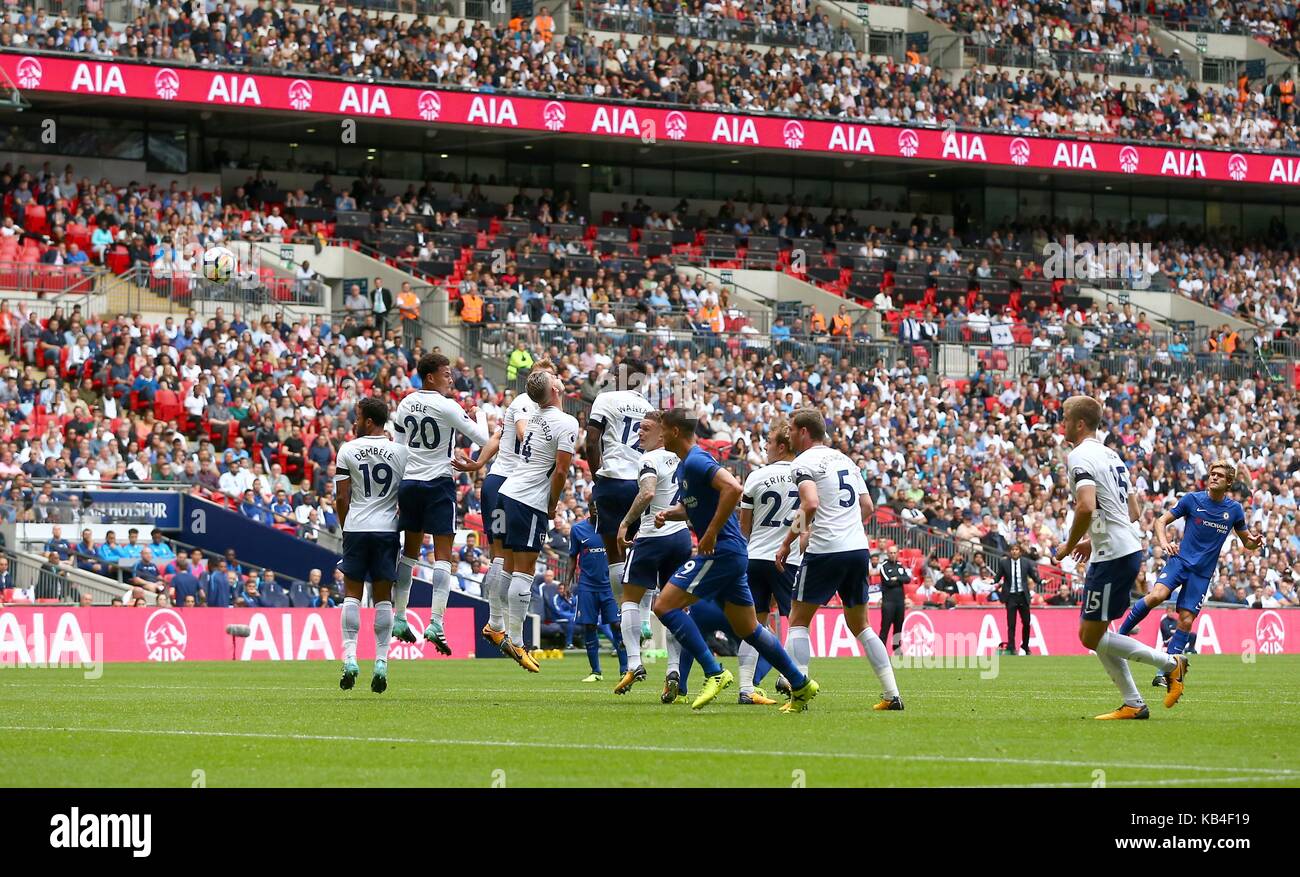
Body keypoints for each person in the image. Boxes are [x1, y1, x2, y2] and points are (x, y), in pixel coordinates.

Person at [652, 407, 818, 712]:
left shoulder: (698, 459)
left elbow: (733, 487)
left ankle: (715, 672)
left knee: (663, 605)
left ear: (675, 431)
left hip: (722, 552)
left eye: (662, 429)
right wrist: (670, 513)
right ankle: (800, 682)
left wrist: (711, 532)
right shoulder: (685, 466)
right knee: (750, 629)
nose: (659, 435)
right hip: (736, 554)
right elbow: (695, 507)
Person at [1053, 396, 1184, 720]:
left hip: (1112, 554)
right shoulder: (1112, 455)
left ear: (1079, 423)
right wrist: (1093, 538)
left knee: (1090, 635)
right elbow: (1133, 511)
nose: (1063, 423)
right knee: (1096, 634)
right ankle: (1134, 703)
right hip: (1115, 549)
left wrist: (1070, 544)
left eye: (1066, 418)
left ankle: (1171, 664)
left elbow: (1085, 506)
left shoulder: (1079, 456)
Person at [776, 407, 902, 711]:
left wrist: (788, 542)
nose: (789, 434)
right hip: (857, 549)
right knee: (861, 625)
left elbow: (810, 504)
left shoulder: (803, 462)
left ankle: (799, 691)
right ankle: (892, 694)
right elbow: (868, 506)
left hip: (825, 550)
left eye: (791, 429)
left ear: (804, 432)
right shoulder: (846, 460)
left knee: (798, 620)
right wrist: (844, 526)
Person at [1117, 460, 1260, 687]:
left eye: (1220, 475)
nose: (1214, 477)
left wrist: (1253, 543)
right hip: (1179, 562)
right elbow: (1161, 520)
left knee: (1186, 619)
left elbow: (1247, 542)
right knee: (1157, 595)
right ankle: (1120, 637)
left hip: (1202, 575)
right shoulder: (1192, 500)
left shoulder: (1234, 510)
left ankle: (1165, 671)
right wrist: (1164, 543)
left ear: (1229, 482)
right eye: (1212, 473)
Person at [452, 358, 558, 652]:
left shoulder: (534, 406)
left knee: (505, 558)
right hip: (509, 486)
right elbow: (524, 435)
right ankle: (499, 625)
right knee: (509, 558)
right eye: (549, 377)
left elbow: (499, 436)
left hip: (508, 485)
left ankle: (498, 624)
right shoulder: (527, 403)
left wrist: (479, 463)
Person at [390, 353, 489, 653]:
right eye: (447, 374)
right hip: (438, 484)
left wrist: (397, 489)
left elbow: (397, 448)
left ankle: (398, 617)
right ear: (430, 377)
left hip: (409, 484)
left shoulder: (405, 403)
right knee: (443, 556)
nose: (451, 378)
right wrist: (479, 414)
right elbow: (484, 439)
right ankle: (436, 622)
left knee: (409, 554)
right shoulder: (447, 406)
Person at [497, 369, 579, 673]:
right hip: (528, 499)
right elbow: (560, 471)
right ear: (555, 389)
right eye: (555, 377)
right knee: (525, 569)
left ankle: (501, 628)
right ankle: (517, 642)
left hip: (510, 492)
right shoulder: (566, 422)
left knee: (509, 565)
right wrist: (552, 505)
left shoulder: (535, 418)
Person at [612, 411, 692, 695]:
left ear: (662, 433)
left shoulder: (649, 459)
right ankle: (673, 668)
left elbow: (647, 493)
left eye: (646, 429)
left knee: (629, 600)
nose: (639, 434)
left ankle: (634, 662)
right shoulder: (683, 459)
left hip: (651, 536)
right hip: (681, 537)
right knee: (675, 606)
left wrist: (624, 523)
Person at [334, 396, 409, 694]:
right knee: (383, 599)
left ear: (368, 421)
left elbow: (341, 497)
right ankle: (381, 663)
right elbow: (408, 495)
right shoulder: (399, 452)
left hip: (356, 528)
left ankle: (350, 659)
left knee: (351, 595)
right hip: (387, 531)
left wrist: (346, 528)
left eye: (357, 416)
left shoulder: (348, 449)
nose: (353, 422)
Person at [585, 358, 653, 635]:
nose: (613, 375)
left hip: (612, 480)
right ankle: (645, 618)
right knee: (642, 551)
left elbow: (591, 440)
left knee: (614, 553)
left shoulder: (606, 398)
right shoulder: (650, 409)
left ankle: (623, 610)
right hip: (641, 483)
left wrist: (596, 475)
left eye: (618, 372)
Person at [735, 418, 802, 704]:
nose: (765, 448)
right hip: (790, 557)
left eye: (769, 443)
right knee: (797, 621)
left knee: (753, 624)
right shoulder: (804, 475)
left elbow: (744, 526)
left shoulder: (756, 476)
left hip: (756, 557)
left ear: (782, 446)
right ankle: (788, 677)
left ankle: (746, 687)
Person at [567, 510, 628, 682]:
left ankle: (624, 670)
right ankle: (596, 672)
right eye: (592, 505)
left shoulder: (614, 528)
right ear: (588, 507)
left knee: (617, 625)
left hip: (609, 586)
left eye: (598, 505)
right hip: (586, 586)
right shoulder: (578, 529)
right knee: (589, 626)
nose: (595, 508)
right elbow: (572, 558)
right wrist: (567, 583)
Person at [993, 543, 1041, 655]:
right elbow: (998, 576)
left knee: (1026, 622)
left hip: (1023, 596)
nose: (1014, 551)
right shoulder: (1004, 563)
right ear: (1010, 552)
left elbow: (1034, 576)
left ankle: (1025, 645)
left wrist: (1042, 582)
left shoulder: (1026, 562)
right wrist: (991, 581)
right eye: (1013, 550)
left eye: (1016, 549)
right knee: (1011, 623)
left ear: (1020, 552)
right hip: (1011, 596)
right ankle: (1011, 646)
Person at [873, 544, 911, 654]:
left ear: (897, 554)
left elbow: (907, 579)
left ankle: (897, 649)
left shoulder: (900, 566)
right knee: (885, 626)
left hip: (900, 601)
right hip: (888, 601)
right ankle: (880, 651)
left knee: (898, 627)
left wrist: (897, 578)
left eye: (895, 553)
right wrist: (900, 580)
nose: (893, 555)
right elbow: (887, 581)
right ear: (887, 554)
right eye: (891, 553)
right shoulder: (884, 566)